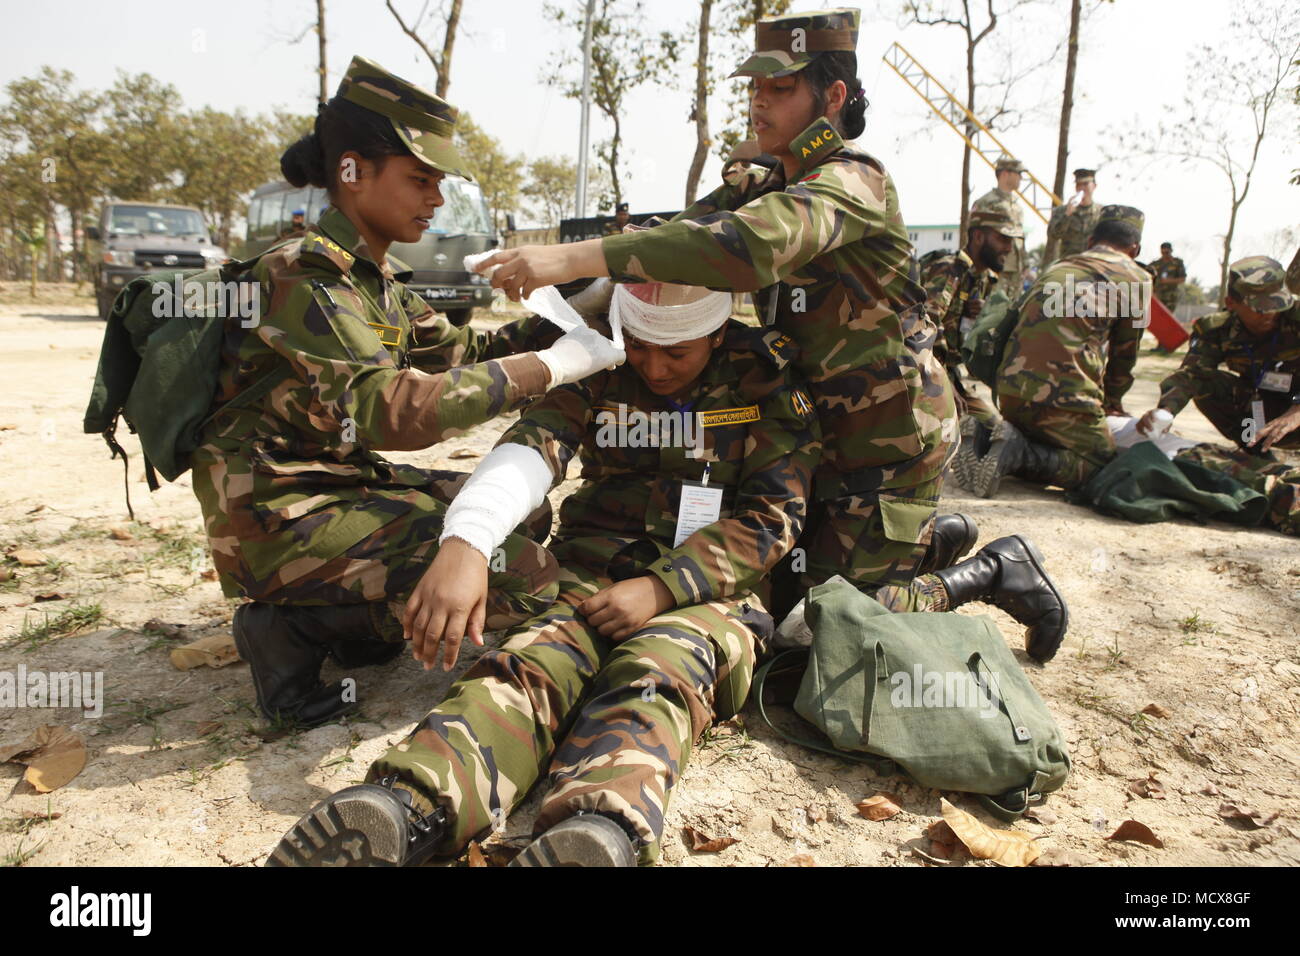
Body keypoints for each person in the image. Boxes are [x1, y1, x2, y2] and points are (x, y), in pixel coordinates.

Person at [268, 279, 1069, 868]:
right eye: (639, 344)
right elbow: (534, 446)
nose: (652, 365)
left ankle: (600, 829)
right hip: (585, 577)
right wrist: (468, 539)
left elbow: (770, 518)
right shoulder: (607, 360)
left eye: (674, 351)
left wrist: (664, 588)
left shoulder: (764, 378)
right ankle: (409, 806)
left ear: (718, 333)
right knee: (525, 666)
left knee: (659, 674)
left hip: (710, 597)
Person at [471, 8, 963, 621]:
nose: (759, 103)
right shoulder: (761, 183)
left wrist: (569, 256)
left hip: (885, 434)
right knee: (776, 586)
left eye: (780, 88)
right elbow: (674, 239)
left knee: (827, 623)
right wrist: (585, 296)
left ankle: (983, 572)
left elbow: (746, 247)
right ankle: (920, 543)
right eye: (755, 87)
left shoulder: (854, 181)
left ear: (833, 96)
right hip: (812, 422)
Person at [191, 56, 624, 727]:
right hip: (276, 510)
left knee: (521, 515)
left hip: (333, 482)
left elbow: (466, 356)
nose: (436, 200)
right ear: (351, 172)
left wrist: (570, 307)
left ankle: (351, 620)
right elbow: (395, 413)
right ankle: (292, 629)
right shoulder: (302, 276)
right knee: (527, 576)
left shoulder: (374, 282)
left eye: (438, 181)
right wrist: (558, 366)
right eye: (420, 179)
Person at [953, 205, 1152, 497]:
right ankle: (1018, 454)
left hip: (1010, 395)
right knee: (1103, 466)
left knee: (1050, 435)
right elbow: (1125, 355)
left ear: (1090, 241)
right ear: (1135, 249)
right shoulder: (1139, 278)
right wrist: (1112, 403)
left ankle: (985, 438)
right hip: (1065, 401)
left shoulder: (1057, 267)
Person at [1136, 256, 1299, 453]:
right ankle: (1255, 451)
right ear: (1231, 303)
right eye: (1261, 307)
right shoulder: (1216, 329)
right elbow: (1191, 375)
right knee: (1205, 382)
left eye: (1277, 304)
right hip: (1263, 408)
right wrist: (1165, 411)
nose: (1271, 313)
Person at [922, 205, 1020, 425]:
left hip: (952, 374)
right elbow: (925, 325)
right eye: (1003, 239)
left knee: (990, 424)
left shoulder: (984, 280)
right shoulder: (949, 269)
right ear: (978, 236)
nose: (1008, 248)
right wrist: (942, 385)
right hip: (924, 373)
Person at [971, 154, 1027, 294]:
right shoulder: (985, 202)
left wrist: (1025, 265)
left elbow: (1019, 239)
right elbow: (974, 239)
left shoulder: (1017, 206)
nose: (1021, 178)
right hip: (994, 271)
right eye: (1018, 173)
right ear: (1005, 174)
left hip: (1016, 271)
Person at [1045, 168, 1102, 263]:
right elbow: (1053, 235)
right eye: (1078, 185)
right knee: (1069, 278)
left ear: (1094, 186)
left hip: (1093, 265)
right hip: (1070, 265)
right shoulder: (1062, 211)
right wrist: (1067, 215)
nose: (1082, 188)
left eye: (1085, 184)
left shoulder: (1101, 212)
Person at [1149, 242, 1186, 314]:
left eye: (1167, 252)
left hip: (1171, 298)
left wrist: (1167, 281)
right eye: (1163, 252)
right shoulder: (1155, 264)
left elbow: (1182, 279)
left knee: (1167, 316)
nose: (1165, 254)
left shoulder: (1177, 263)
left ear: (1171, 250)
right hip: (1156, 295)